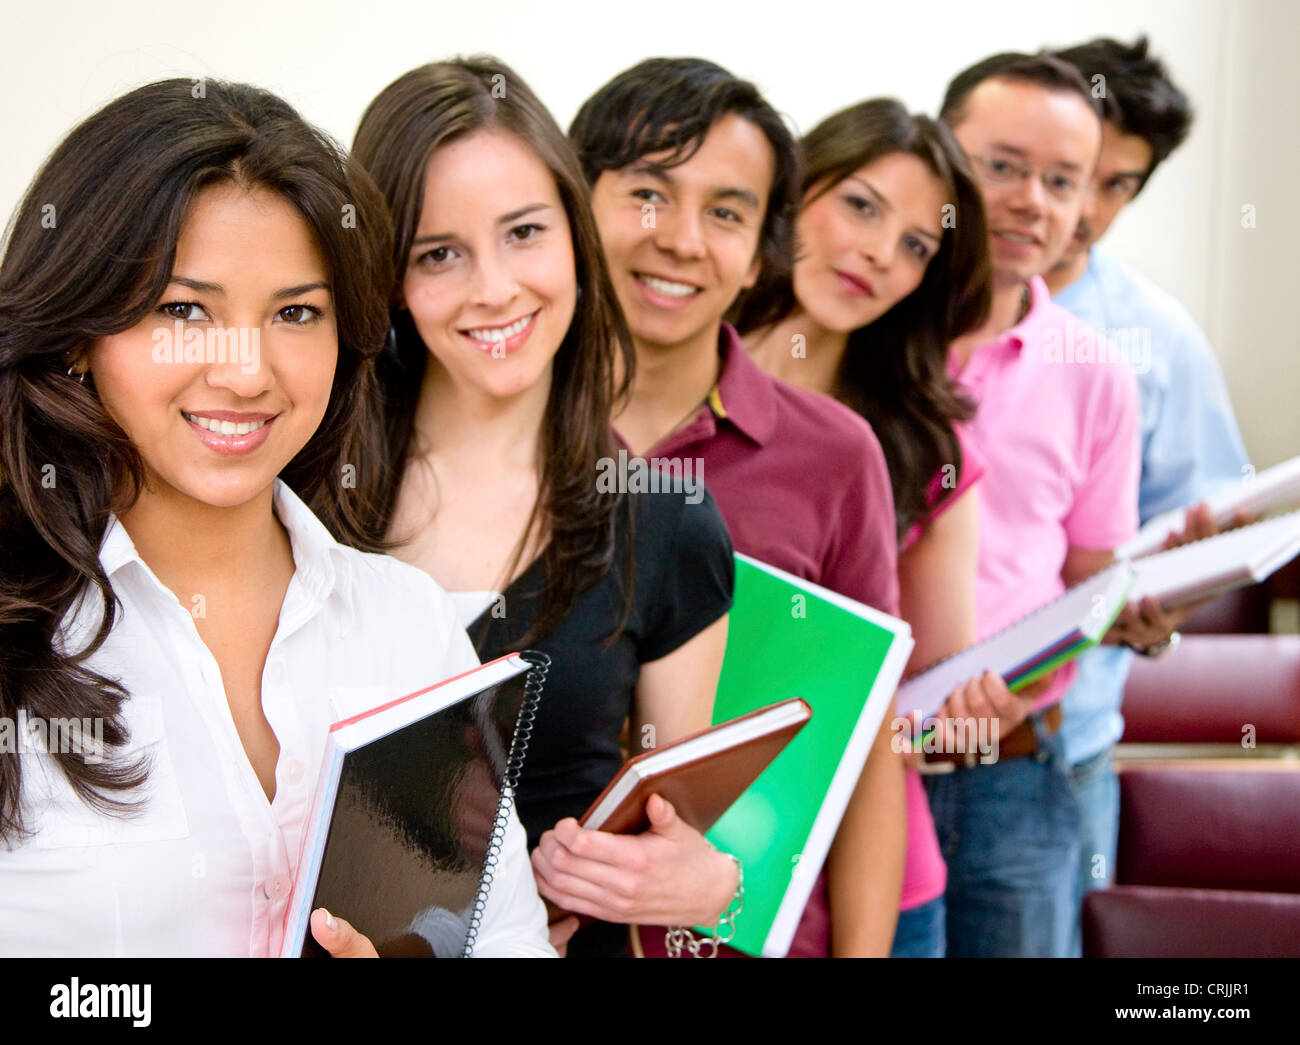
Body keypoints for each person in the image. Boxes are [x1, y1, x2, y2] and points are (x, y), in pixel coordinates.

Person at [0, 79, 552, 956]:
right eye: (185, 310)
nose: (248, 372)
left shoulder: (409, 624)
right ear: (77, 332)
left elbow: (504, 942)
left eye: (296, 312)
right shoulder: (18, 629)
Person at [352, 57, 738, 958]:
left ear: (574, 237)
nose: (494, 287)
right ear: (388, 280)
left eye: (524, 232)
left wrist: (708, 883)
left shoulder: (664, 521)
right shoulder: (302, 503)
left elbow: (679, 828)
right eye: (439, 253)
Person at [571, 57, 906, 957]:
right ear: (574, 200)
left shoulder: (835, 456)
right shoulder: (494, 430)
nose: (682, 239)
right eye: (649, 192)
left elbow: (865, 746)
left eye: (726, 211)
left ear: (764, 248)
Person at [738, 97, 1046, 956]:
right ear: (793, 192)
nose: (880, 252)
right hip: (680, 857)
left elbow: (927, 703)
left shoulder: (922, 449)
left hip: (874, 882)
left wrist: (967, 716)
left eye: (917, 244)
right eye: (863, 207)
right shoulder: (672, 383)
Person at [931, 51, 1149, 957]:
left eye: (1064, 180)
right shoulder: (858, 344)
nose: (1034, 200)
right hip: (854, 761)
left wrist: (1146, 606)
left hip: (1015, 774)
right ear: (940, 160)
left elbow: (1093, 573)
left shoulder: (1095, 371)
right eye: (1004, 166)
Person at [1046, 36, 1251, 954]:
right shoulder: (900, 301)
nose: (1081, 209)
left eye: (1116, 184)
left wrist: (1165, 600)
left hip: (1067, 744)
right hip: (893, 736)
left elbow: (1209, 531)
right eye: (1069, 173)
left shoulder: (1156, 340)